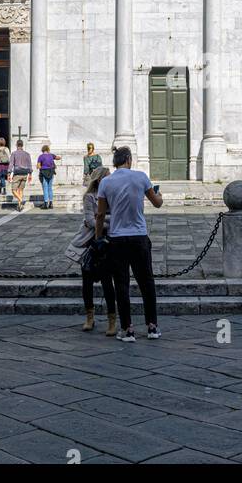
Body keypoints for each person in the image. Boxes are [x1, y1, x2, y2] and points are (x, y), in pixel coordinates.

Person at [96, 145, 163, 342]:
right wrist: (160, 195)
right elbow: (157, 203)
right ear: (129, 159)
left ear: (115, 161)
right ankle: (152, 327)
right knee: (147, 283)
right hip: (139, 237)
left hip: (117, 238)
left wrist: (99, 237)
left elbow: (100, 214)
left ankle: (128, 329)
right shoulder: (141, 177)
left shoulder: (106, 182)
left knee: (122, 285)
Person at [65, 167, 117, 334]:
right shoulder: (89, 197)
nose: (110, 182)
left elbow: (113, 218)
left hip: (108, 244)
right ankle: (90, 317)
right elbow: (89, 220)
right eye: (107, 178)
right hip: (91, 244)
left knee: (108, 282)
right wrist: (104, 221)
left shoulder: (113, 196)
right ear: (99, 180)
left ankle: (112, 321)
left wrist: (100, 218)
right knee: (86, 282)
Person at [7, 139, 32, 210]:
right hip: (25, 173)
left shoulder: (14, 153)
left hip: (17, 174)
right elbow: (29, 165)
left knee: (13, 190)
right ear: (22, 145)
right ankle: (20, 205)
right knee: (20, 190)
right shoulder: (27, 154)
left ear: (16, 145)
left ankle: (20, 200)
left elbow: (11, 164)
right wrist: (30, 174)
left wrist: (9, 173)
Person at [37, 144, 60, 209]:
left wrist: (41, 166)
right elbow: (58, 158)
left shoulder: (40, 156)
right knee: (50, 188)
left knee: (45, 188)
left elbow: (38, 166)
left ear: (42, 150)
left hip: (44, 173)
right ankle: (51, 203)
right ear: (48, 150)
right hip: (51, 172)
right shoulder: (51, 155)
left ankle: (46, 203)